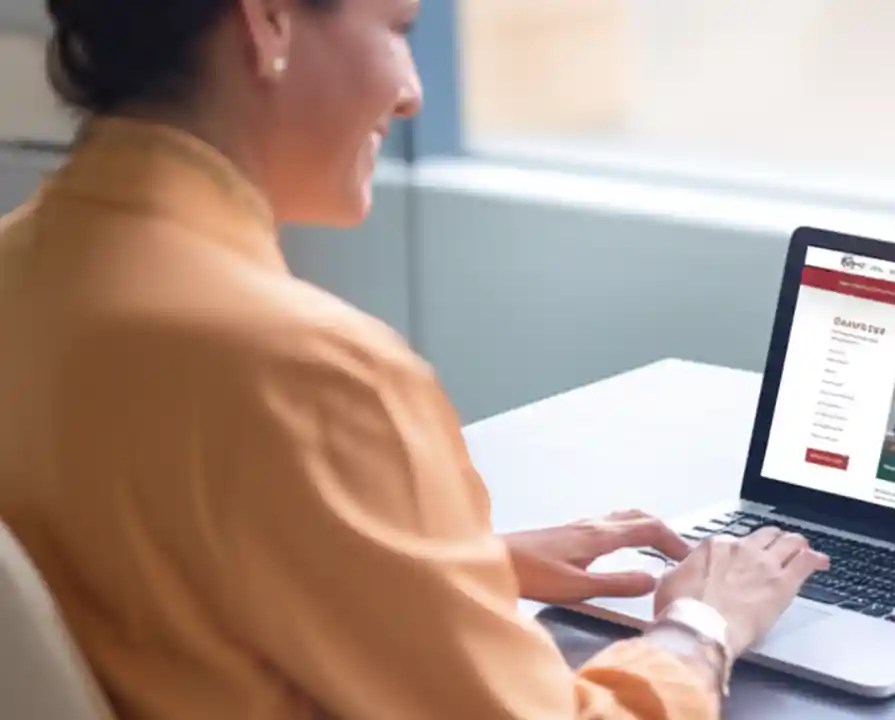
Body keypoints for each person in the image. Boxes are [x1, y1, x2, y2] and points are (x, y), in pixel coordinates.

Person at [0, 1, 828, 718]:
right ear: (269, 19)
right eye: (397, 28)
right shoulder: (303, 370)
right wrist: (704, 625)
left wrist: (459, 570)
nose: (411, 91)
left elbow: (138, 593)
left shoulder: (23, 271)